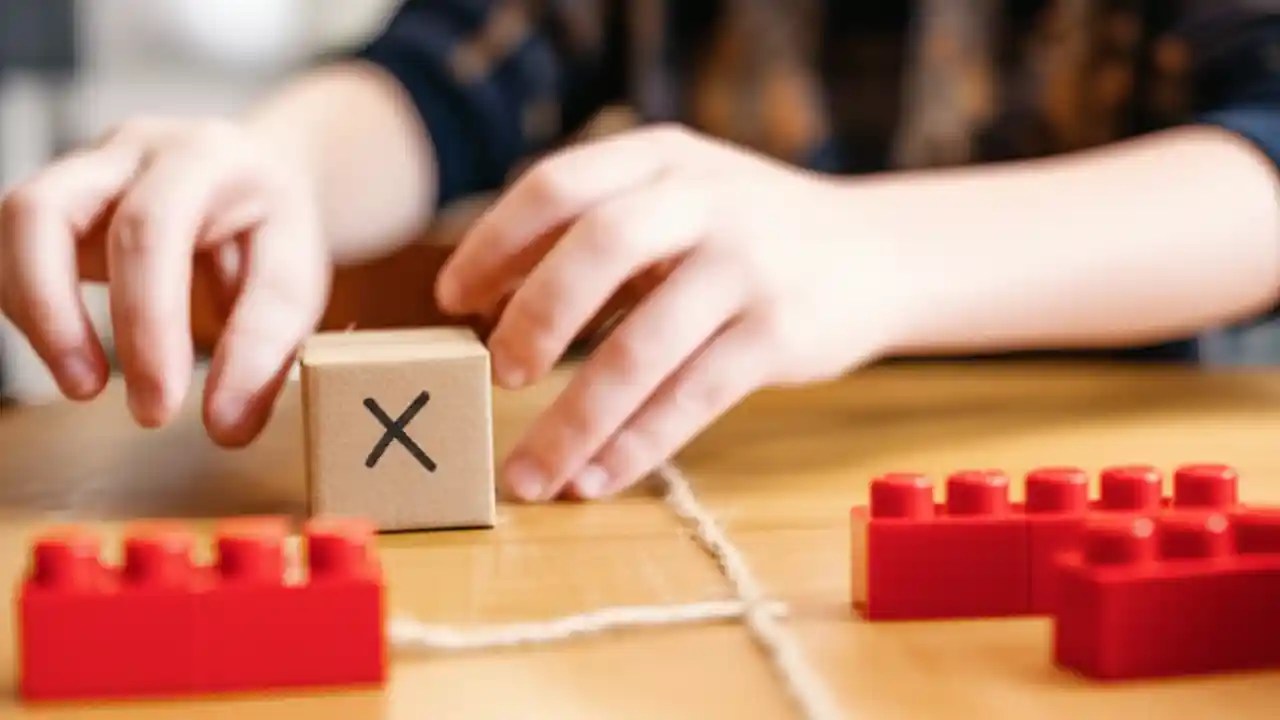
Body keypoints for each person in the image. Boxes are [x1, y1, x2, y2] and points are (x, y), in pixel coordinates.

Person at [0, 1, 1277, 503]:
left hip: (1100, 475)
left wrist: (868, 249)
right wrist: (271, 158)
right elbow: (445, 77)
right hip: (710, 488)